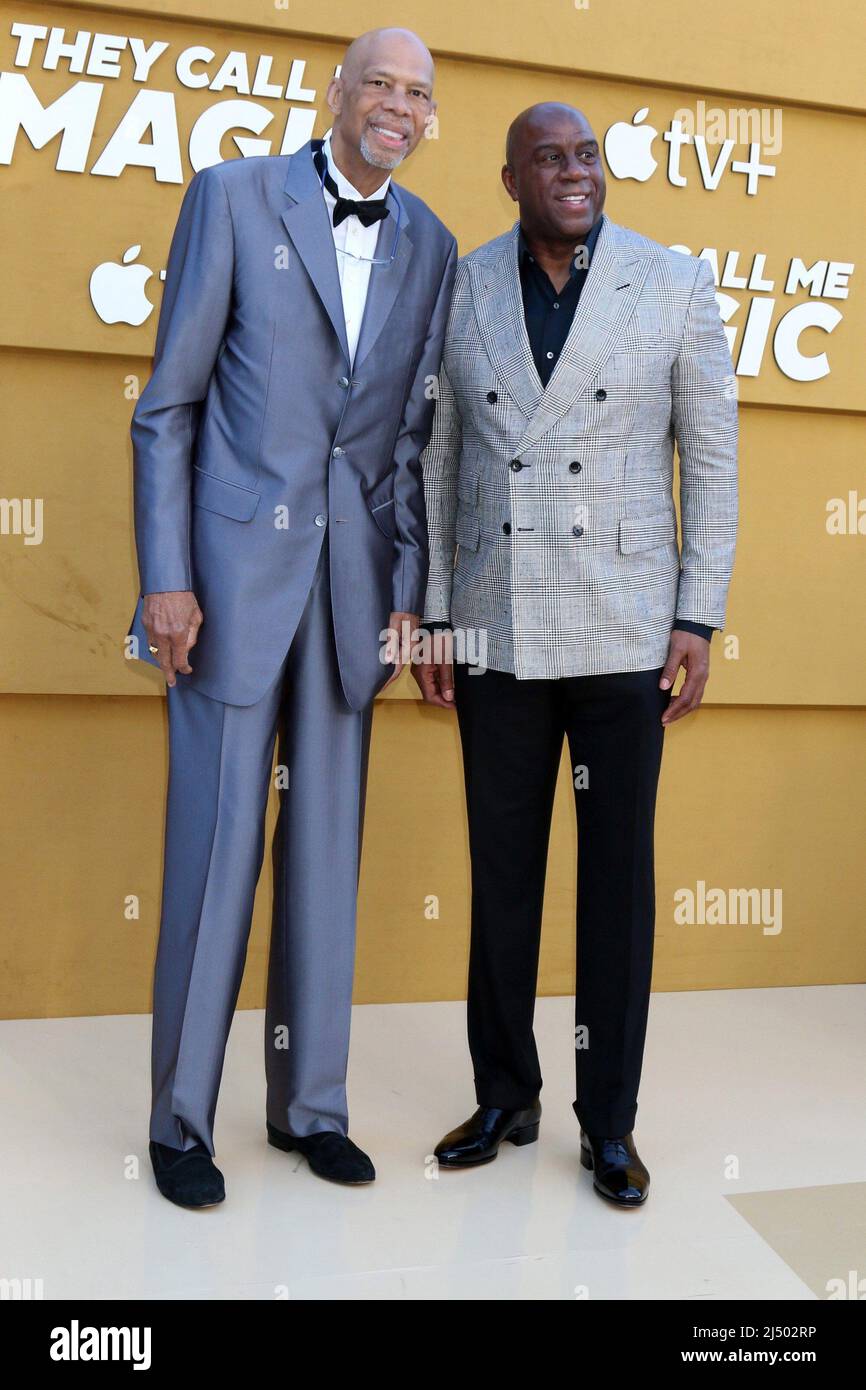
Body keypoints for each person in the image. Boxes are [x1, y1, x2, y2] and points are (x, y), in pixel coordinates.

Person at [128, 27, 456, 1206]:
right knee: (215, 857)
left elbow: (411, 447)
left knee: (325, 860)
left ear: (427, 119)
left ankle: (307, 1107)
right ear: (336, 90)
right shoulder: (229, 197)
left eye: (416, 94)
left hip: (353, 594)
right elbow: (167, 407)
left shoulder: (431, 243)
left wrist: (412, 601)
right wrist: (166, 578)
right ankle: (178, 1122)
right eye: (380, 82)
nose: (396, 107)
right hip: (223, 588)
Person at [414, 102, 737, 1206]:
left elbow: (712, 459)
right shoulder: (463, 284)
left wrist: (696, 616)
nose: (572, 171)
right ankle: (505, 1094)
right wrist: (430, 614)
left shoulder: (671, 279)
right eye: (546, 157)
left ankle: (608, 1120)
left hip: (622, 628)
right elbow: (438, 458)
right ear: (510, 179)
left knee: (616, 887)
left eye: (585, 155)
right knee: (500, 878)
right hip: (497, 623)